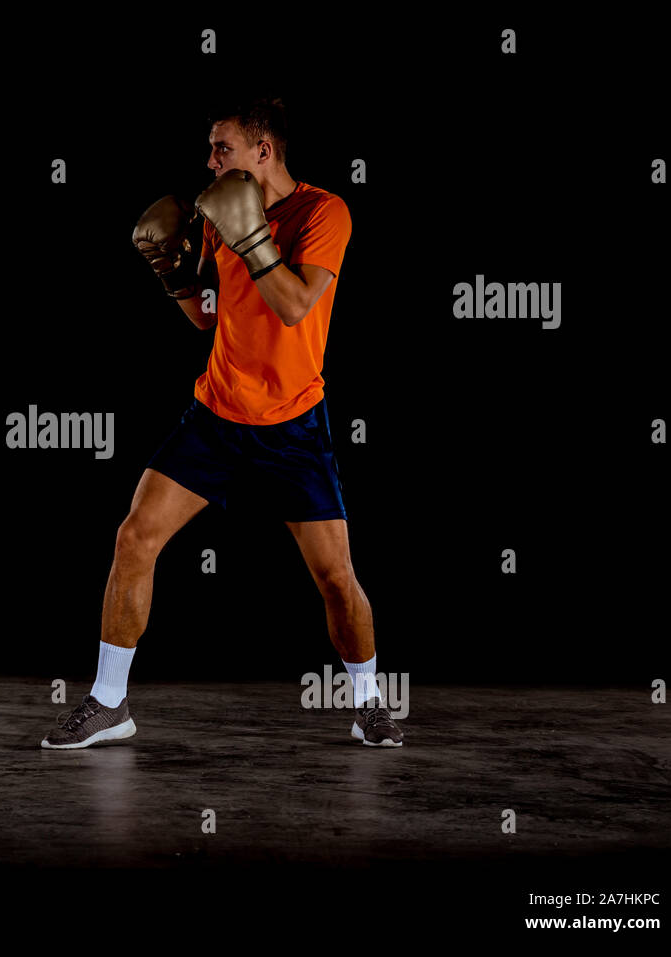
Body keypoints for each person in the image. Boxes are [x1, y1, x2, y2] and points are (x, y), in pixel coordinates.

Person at [41, 97, 403, 750]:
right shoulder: (218, 209)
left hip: (293, 425)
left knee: (335, 577)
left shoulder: (324, 213)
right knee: (134, 537)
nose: (210, 161)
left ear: (263, 151)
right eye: (210, 148)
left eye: (221, 148)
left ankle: (370, 703)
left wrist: (253, 239)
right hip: (215, 415)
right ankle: (109, 701)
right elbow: (207, 317)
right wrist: (172, 274)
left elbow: (294, 306)